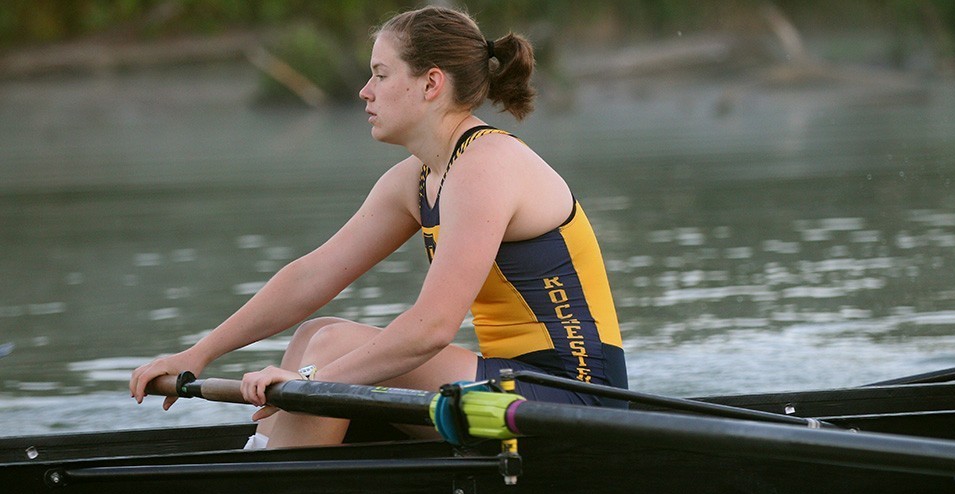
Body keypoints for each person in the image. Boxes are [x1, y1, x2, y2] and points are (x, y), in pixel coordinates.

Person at [130, 5, 627, 449]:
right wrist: (198, 354)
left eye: (381, 75)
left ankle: (272, 488)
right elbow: (312, 277)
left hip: (576, 402)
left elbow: (431, 329)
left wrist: (310, 383)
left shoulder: (486, 166)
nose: (364, 91)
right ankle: (266, 462)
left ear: (431, 84)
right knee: (316, 332)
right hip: (511, 389)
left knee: (332, 347)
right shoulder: (418, 178)